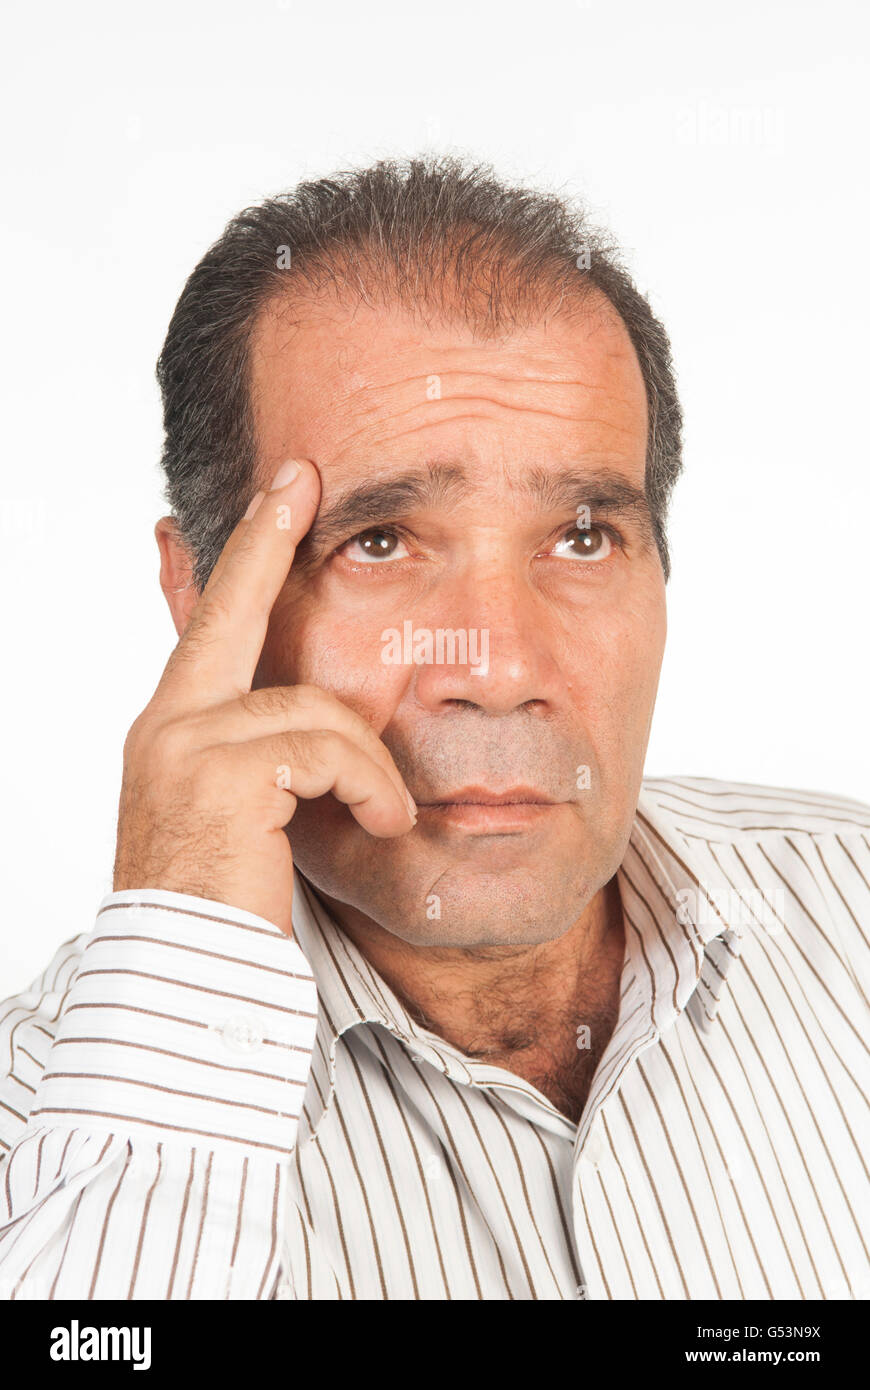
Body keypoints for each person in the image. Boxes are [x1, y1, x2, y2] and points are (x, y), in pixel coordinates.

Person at [1, 155, 867, 1300]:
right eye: (379, 540)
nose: (498, 669)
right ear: (202, 598)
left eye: (585, 534)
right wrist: (182, 953)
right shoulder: (40, 1127)